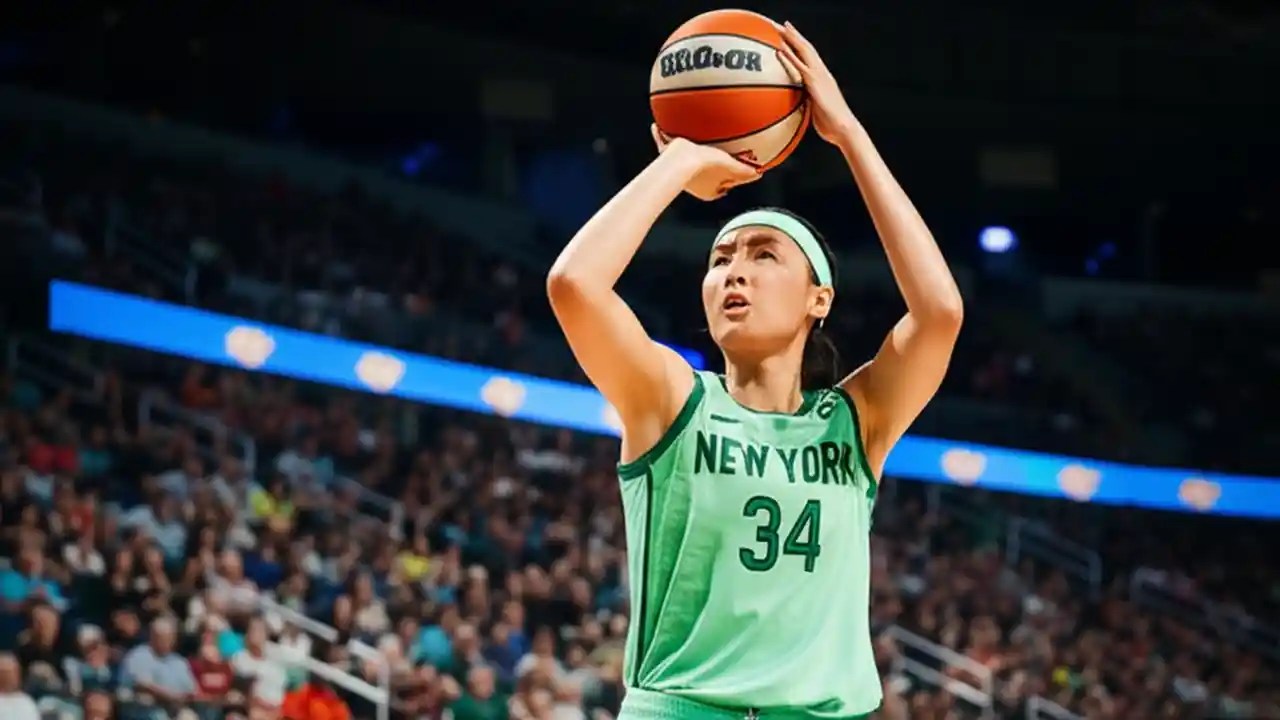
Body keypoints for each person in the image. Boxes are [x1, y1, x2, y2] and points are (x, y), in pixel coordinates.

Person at [546, 21, 962, 720]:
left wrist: (848, 134)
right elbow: (574, 285)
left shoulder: (855, 421)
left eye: (764, 255)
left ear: (819, 299)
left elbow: (940, 312)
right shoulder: (672, 401)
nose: (734, 272)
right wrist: (680, 163)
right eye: (720, 260)